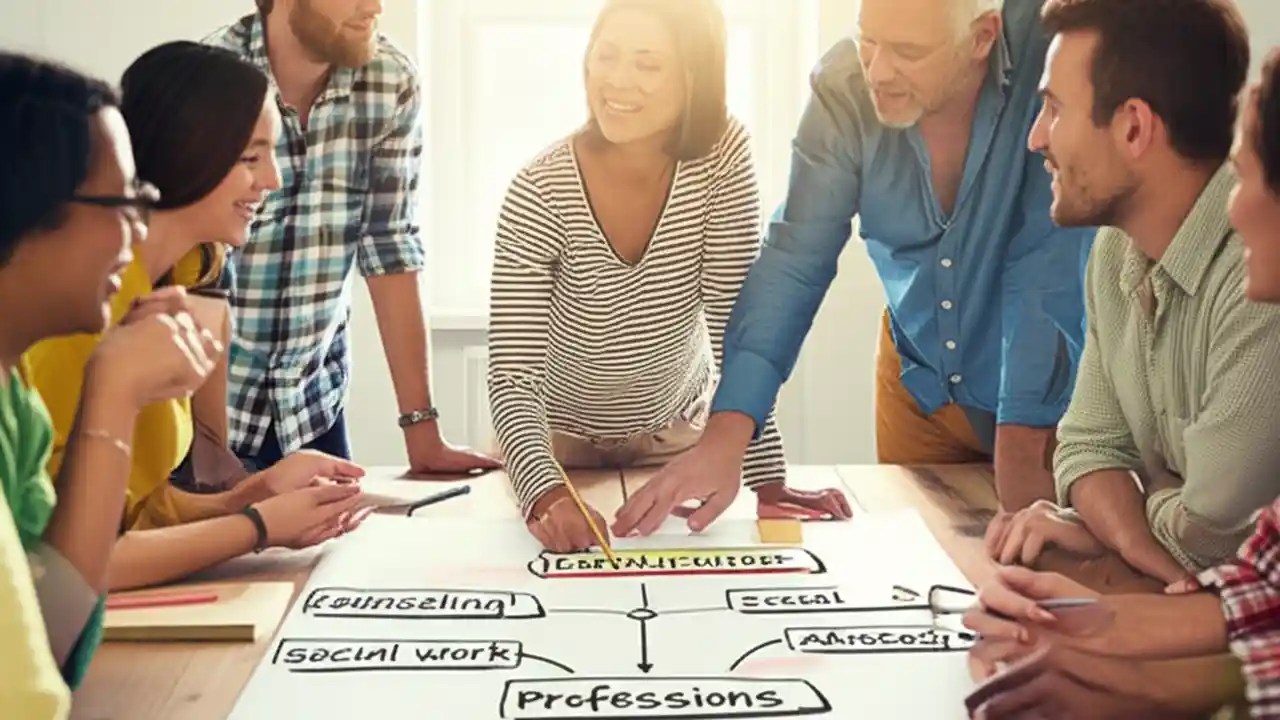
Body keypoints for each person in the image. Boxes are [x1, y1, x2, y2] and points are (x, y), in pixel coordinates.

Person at [613, 0, 1098, 538]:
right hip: (920, 385)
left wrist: (1022, 453)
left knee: (1040, 580)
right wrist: (725, 439)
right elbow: (796, 258)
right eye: (870, 39)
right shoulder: (845, 86)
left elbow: (1044, 265)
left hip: (1052, 406)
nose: (878, 70)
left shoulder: (1051, 57)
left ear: (983, 37)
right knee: (928, 580)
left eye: (908, 51)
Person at [960, 28, 1280, 720]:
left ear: (1133, 126)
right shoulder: (1113, 251)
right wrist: (1127, 540)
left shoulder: (1261, 277)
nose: (1035, 139)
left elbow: (1219, 529)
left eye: (1054, 108)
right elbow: (1086, 450)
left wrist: (1112, 517)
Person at [486, 0, 851, 551]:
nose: (617, 79)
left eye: (647, 63)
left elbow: (738, 325)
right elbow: (514, 375)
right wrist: (544, 494)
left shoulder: (723, 154)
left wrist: (768, 478)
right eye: (605, 56)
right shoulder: (538, 191)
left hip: (679, 435)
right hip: (555, 448)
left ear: (694, 75)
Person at [23, 41, 369, 592]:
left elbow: (132, 507)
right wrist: (254, 526)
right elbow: (67, 556)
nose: (274, 180)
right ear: (189, 153)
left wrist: (247, 495)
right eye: (251, 158)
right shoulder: (82, 310)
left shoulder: (180, 278)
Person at [0, 52, 220, 715]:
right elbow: (37, 675)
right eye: (122, 202)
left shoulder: (15, 397)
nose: (137, 229)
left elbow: (50, 626)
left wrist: (112, 393)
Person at [203, 0, 497, 475]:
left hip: (313, 412)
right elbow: (188, 268)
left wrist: (423, 434)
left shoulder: (390, 81)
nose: (375, 7)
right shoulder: (210, 82)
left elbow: (391, 246)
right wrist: (209, 449)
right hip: (212, 419)